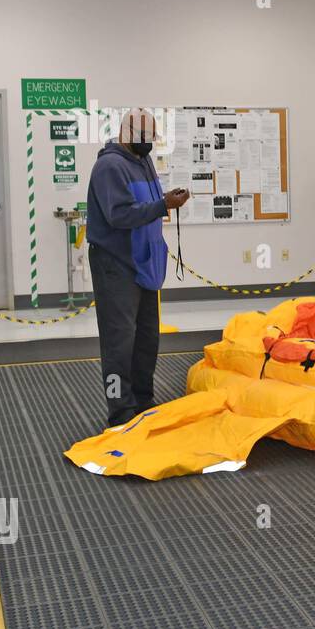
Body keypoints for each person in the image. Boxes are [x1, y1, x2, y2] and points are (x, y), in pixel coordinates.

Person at [85, 109, 189, 427]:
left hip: (144, 262)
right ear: (125, 132)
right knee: (119, 340)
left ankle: (143, 401)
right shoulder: (109, 167)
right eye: (144, 137)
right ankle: (120, 411)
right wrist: (163, 204)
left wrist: (168, 200)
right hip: (115, 264)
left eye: (151, 137)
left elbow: (149, 207)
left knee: (147, 338)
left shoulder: (143, 163)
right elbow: (120, 216)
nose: (148, 143)